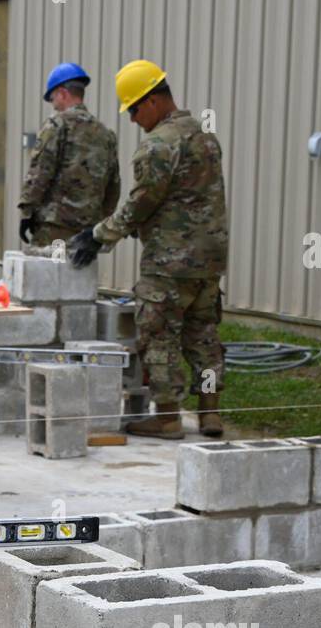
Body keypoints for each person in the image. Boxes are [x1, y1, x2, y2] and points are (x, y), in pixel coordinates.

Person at [71, 60, 228, 439]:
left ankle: (168, 417)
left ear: (154, 100)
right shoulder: (205, 136)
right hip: (209, 261)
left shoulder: (158, 145)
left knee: (158, 336)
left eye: (134, 109)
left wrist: (97, 235)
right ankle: (210, 414)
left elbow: (139, 204)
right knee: (204, 337)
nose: (133, 119)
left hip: (169, 263)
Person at [18, 62, 120, 251]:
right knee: (78, 270)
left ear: (63, 93)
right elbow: (113, 186)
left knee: (51, 268)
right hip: (87, 233)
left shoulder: (57, 125)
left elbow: (40, 172)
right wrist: (101, 224)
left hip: (54, 229)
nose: (53, 105)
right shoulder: (106, 134)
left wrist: (27, 212)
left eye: (53, 98)